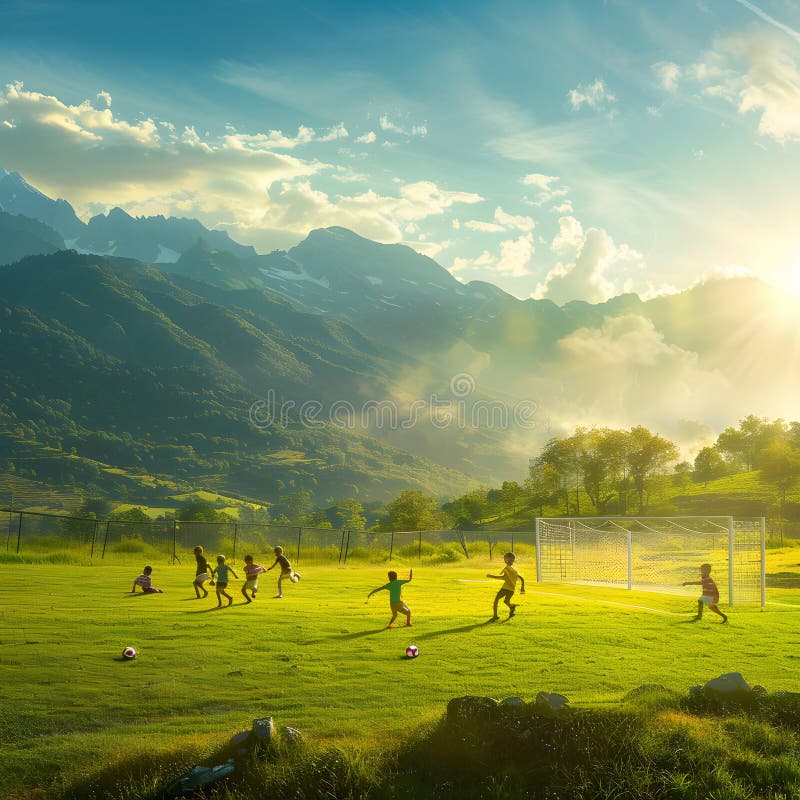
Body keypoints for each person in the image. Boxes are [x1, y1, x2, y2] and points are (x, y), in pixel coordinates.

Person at [487, 552, 525, 620]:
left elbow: (502, 577)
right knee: (506, 601)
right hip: (511, 590)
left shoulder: (507, 569)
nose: (510, 561)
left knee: (496, 600)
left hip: (505, 588)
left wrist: (491, 576)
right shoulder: (514, 570)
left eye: (510, 560)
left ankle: (495, 616)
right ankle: (512, 607)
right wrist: (522, 587)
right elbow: (521, 578)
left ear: (505, 559)